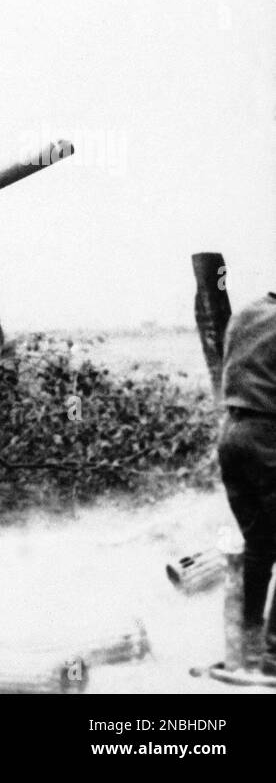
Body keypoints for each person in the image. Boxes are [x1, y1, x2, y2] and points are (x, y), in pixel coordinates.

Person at [217, 290, 276, 677]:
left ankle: (246, 651)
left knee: (261, 545)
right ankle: (270, 655)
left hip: (232, 435)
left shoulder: (246, 313)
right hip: (268, 436)